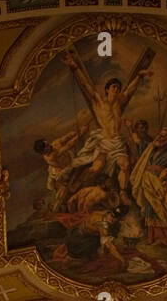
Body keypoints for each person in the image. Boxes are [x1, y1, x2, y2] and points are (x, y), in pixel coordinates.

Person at [62, 49, 154, 201]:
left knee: (125, 165)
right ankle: (78, 183)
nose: (117, 90)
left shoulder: (121, 101)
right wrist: (74, 67)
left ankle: (123, 192)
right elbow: (85, 85)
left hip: (117, 142)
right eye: (114, 87)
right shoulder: (98, 102)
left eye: (118, 87)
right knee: (95, 168)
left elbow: (131, 89)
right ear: (107, 89)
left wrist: (139, 75)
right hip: (104, 142)